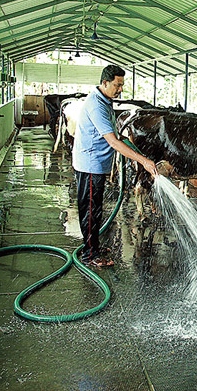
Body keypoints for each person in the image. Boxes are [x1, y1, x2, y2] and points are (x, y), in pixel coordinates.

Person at [73, 65, 158, 267]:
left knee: (95, 209)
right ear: (105, 83)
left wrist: (138, 152)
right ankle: (90, 255)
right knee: (91, 211)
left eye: (121, 85)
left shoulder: (105, 101)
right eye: (117, 85)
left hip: (97, 164)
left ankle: (93, 246)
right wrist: (142, 161)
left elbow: (117, 136)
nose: (120, 89)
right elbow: (113, 142)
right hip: (90, 165)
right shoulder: (96, 105)